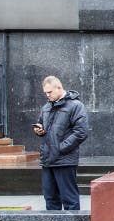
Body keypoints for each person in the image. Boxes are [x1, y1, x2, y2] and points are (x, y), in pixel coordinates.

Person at [32, 76, 89, 210]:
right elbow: (41, 122)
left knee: (69, 199)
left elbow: (81, 132)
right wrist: (38, 129)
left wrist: (60, 148)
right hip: (48, 159)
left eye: (49, 92)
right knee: (50, 199)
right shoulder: (47, 107)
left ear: (59, 88)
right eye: (45, 93)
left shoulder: (76, 106)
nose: (47, 95)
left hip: (65, 160)